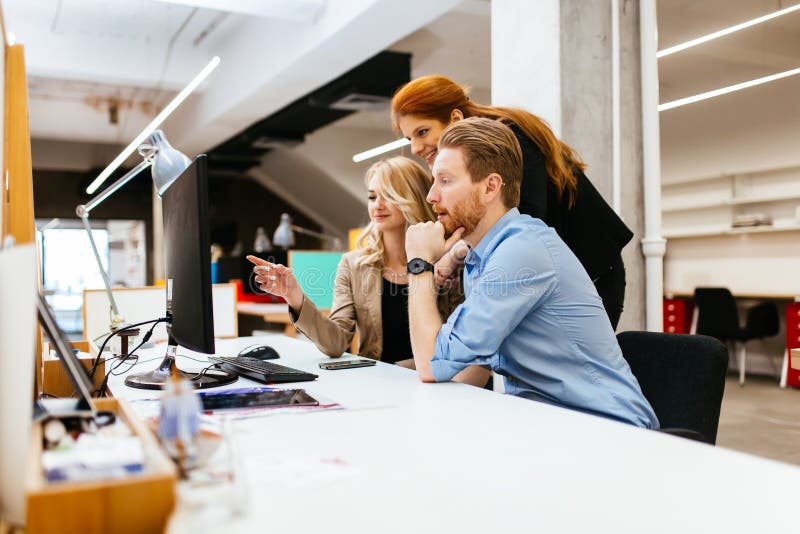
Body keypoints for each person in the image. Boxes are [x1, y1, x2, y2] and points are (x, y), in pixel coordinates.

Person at [404, 117, 657, 427]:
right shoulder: (482, 258)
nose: (431, 196)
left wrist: (419, 264)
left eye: (445, 180)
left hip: (607, 428)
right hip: (547, 422)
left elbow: (431, 364)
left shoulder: (520, 252)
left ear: (490, 187)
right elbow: (467, 361)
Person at [392, 75, 633, 329]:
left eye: (422, 132)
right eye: (409, 139)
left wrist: (455, 252)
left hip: (591, 269)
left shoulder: (506, 141)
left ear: (454, 119)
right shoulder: (471, 156)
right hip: (548, 273)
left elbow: (524, 221)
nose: (416, 148)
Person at [247, 156, 490, 387]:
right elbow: (336, 343)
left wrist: (402, 369)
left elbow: (461, 348)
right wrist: (295, 297)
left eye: (388, 196)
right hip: (377, 386)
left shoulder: (447, 261)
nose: (378, 205)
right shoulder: (353, 265)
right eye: (373, 197)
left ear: (412, 198)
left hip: (438, 386)